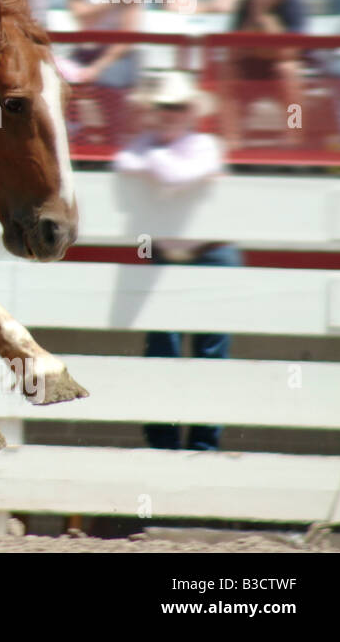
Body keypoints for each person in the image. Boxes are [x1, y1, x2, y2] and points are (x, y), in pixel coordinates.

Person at [113, 70, 235, 451]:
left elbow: (164, 170)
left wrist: (156, 171)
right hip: (169, 256)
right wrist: (167, 175)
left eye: (178, 106)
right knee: (163, 351)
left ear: (190, 112)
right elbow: (125, 163)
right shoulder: (150, 146)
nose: (170, 113)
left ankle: (202, 448)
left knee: (209, 355)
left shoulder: (204, 145)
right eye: (164, 106)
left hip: (208, 255)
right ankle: (165, 447)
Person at [219, 0, 307, 147]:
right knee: (228, 72)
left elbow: (290, 53)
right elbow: (233, 52)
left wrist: (266, 20)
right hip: (249, 71)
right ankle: (232, 142)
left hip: (278, 73)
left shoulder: (293, 5)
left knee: (290, 72)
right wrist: (254, 17)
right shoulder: (243, 6)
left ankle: (295, 139)